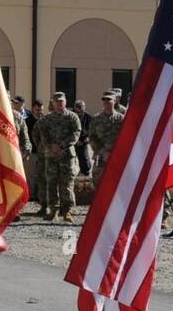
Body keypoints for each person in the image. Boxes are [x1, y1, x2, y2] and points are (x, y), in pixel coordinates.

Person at [35, 92, 82, 222]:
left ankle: (67, 211)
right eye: (56, 101)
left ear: (65, 102)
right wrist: (50, 147)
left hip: (67, 156)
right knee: (51, 183)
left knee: (66, 183)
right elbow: (41, 135)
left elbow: (76, 133)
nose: (59, 103)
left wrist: (61, 146)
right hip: (51, 156)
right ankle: (53, 210)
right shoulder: (46, 119)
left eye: (61, 101)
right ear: (53, 103)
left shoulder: (72, 117)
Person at [88, 89, 123, 186]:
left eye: (109, 99)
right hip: (101, 157)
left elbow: (125, 139)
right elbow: (92, 138)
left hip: (117, 157)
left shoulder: (121, 119)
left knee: (117, 184)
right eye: (104, 99)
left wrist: (113, 153)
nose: (106, 101)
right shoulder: (96, 119)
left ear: (115, 101)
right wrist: (103, 152)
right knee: (98, 184)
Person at [73, 100, 92, 176]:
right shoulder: (70, 116)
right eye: (78, 111)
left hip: (83, 143)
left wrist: (83, 141)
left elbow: (91, 132)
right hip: (71, 143)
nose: (79, 113)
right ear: (75, 108)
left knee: (86, 164)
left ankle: (84, 176)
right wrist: (74, 141)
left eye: (82, 110)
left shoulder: (89, 118)